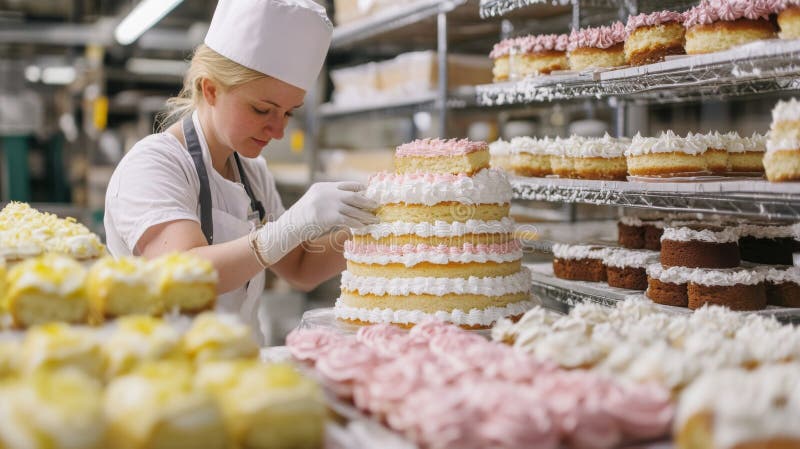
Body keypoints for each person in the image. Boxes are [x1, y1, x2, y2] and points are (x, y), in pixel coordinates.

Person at [104, 0, 378, 341]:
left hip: (240, 368)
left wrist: (379, 231)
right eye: (263, 109)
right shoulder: (155, 165)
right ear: (211, 89)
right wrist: (289, 227)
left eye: (289, 113)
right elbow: (183, 274)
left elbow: (300, 267)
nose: (278, 130)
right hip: (167, 372)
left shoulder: (252, 173)